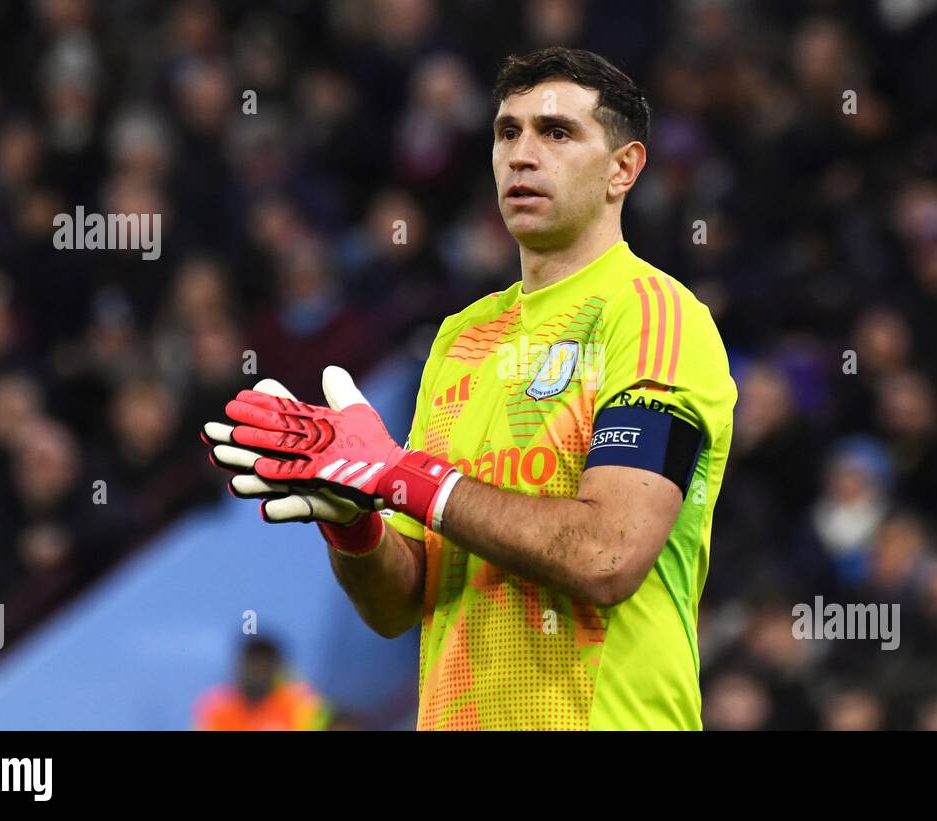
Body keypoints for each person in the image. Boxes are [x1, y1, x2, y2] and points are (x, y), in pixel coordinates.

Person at [204, 47, 736, 730]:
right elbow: (401, 603)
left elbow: (607, 554)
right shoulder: (461, 338)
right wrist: (353, 517)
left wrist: (396, 472)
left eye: (557, 132)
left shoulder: (654, 315)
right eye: (507, 131)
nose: (522, 154)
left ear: (624, 168)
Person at [192, 637, 328, 731]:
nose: (257, 672)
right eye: (252, 663)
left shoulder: (302, 705)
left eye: (264, 665)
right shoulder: (216, 706)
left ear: (277, 667)